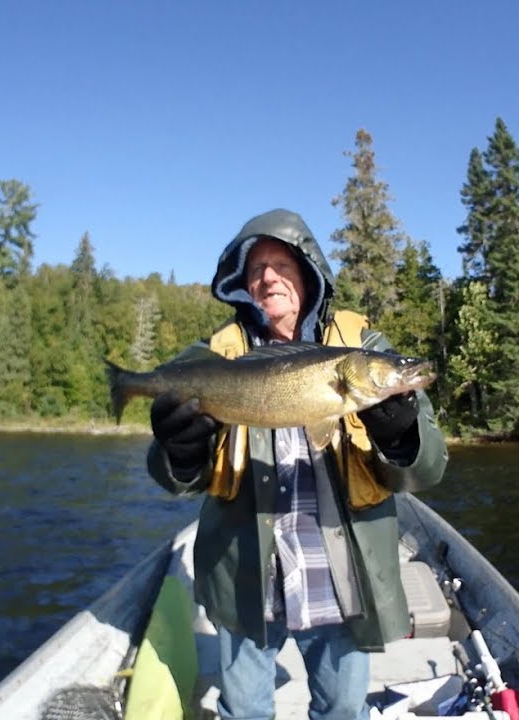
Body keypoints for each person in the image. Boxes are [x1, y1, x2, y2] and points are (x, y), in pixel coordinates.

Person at [145, 208, 448, 720]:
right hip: (245, 583)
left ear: (307, 272)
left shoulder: (363, 351)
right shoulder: (213, 359)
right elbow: (167, 476)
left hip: (342, 581)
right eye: (255, 269)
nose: (267, 277)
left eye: (281, 264)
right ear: (241, 286)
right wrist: (180, 451)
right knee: (244, 712)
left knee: (343, 712)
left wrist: (401, 436)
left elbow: (430, 466)